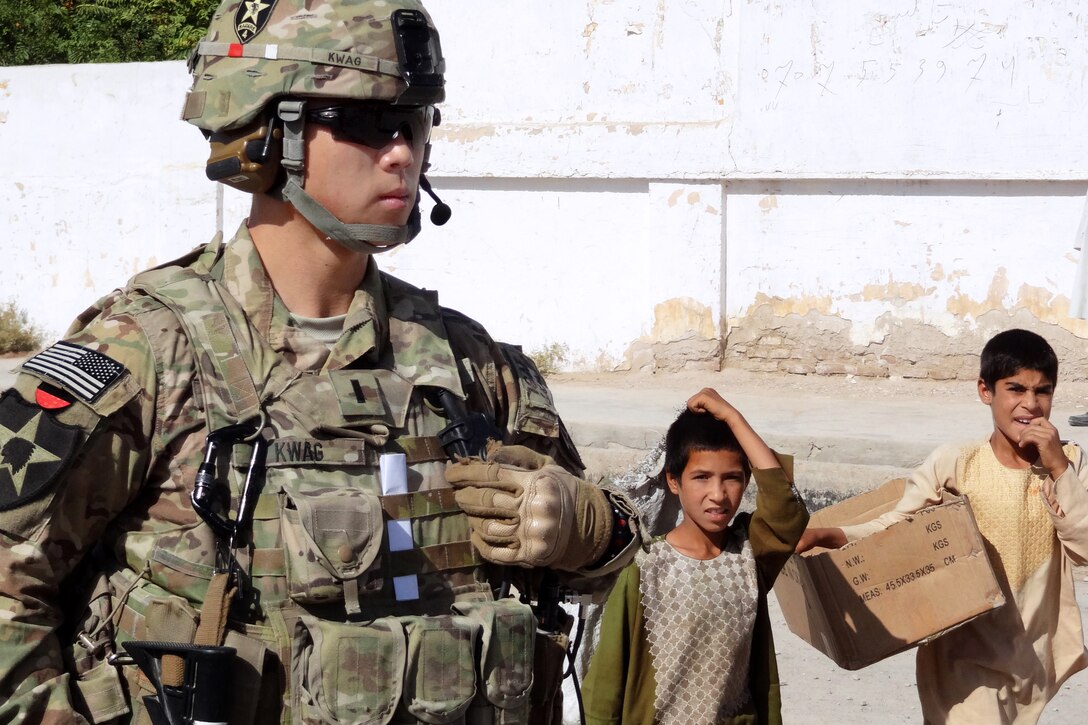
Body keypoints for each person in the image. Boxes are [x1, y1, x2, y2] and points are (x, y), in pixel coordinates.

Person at [0, 1, 639, 723]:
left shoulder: (465, 362)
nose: (402, 152)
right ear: (272, 133)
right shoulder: (152, 351)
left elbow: (607, 563)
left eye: (414, 123)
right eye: (367, 123)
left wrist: (590, 530)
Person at [797, 328, 1088, 724]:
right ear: (986, 391)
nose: (1030, 405)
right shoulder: (956, 463)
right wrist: (831, 534)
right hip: (960, 661)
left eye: (1043, 391)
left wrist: (1057, 469)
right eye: (1015, 389)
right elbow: (899, 527)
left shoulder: (1069, 464)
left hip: (1030, 657)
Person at [581, 388, 809, 724]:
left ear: (746, 482)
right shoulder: (643, 569)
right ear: (674, 481)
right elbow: (604, 689)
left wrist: (732, 416)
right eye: (701, 478)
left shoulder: (749, 554)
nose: (717, 495)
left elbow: (786, 510)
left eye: (731, 478)